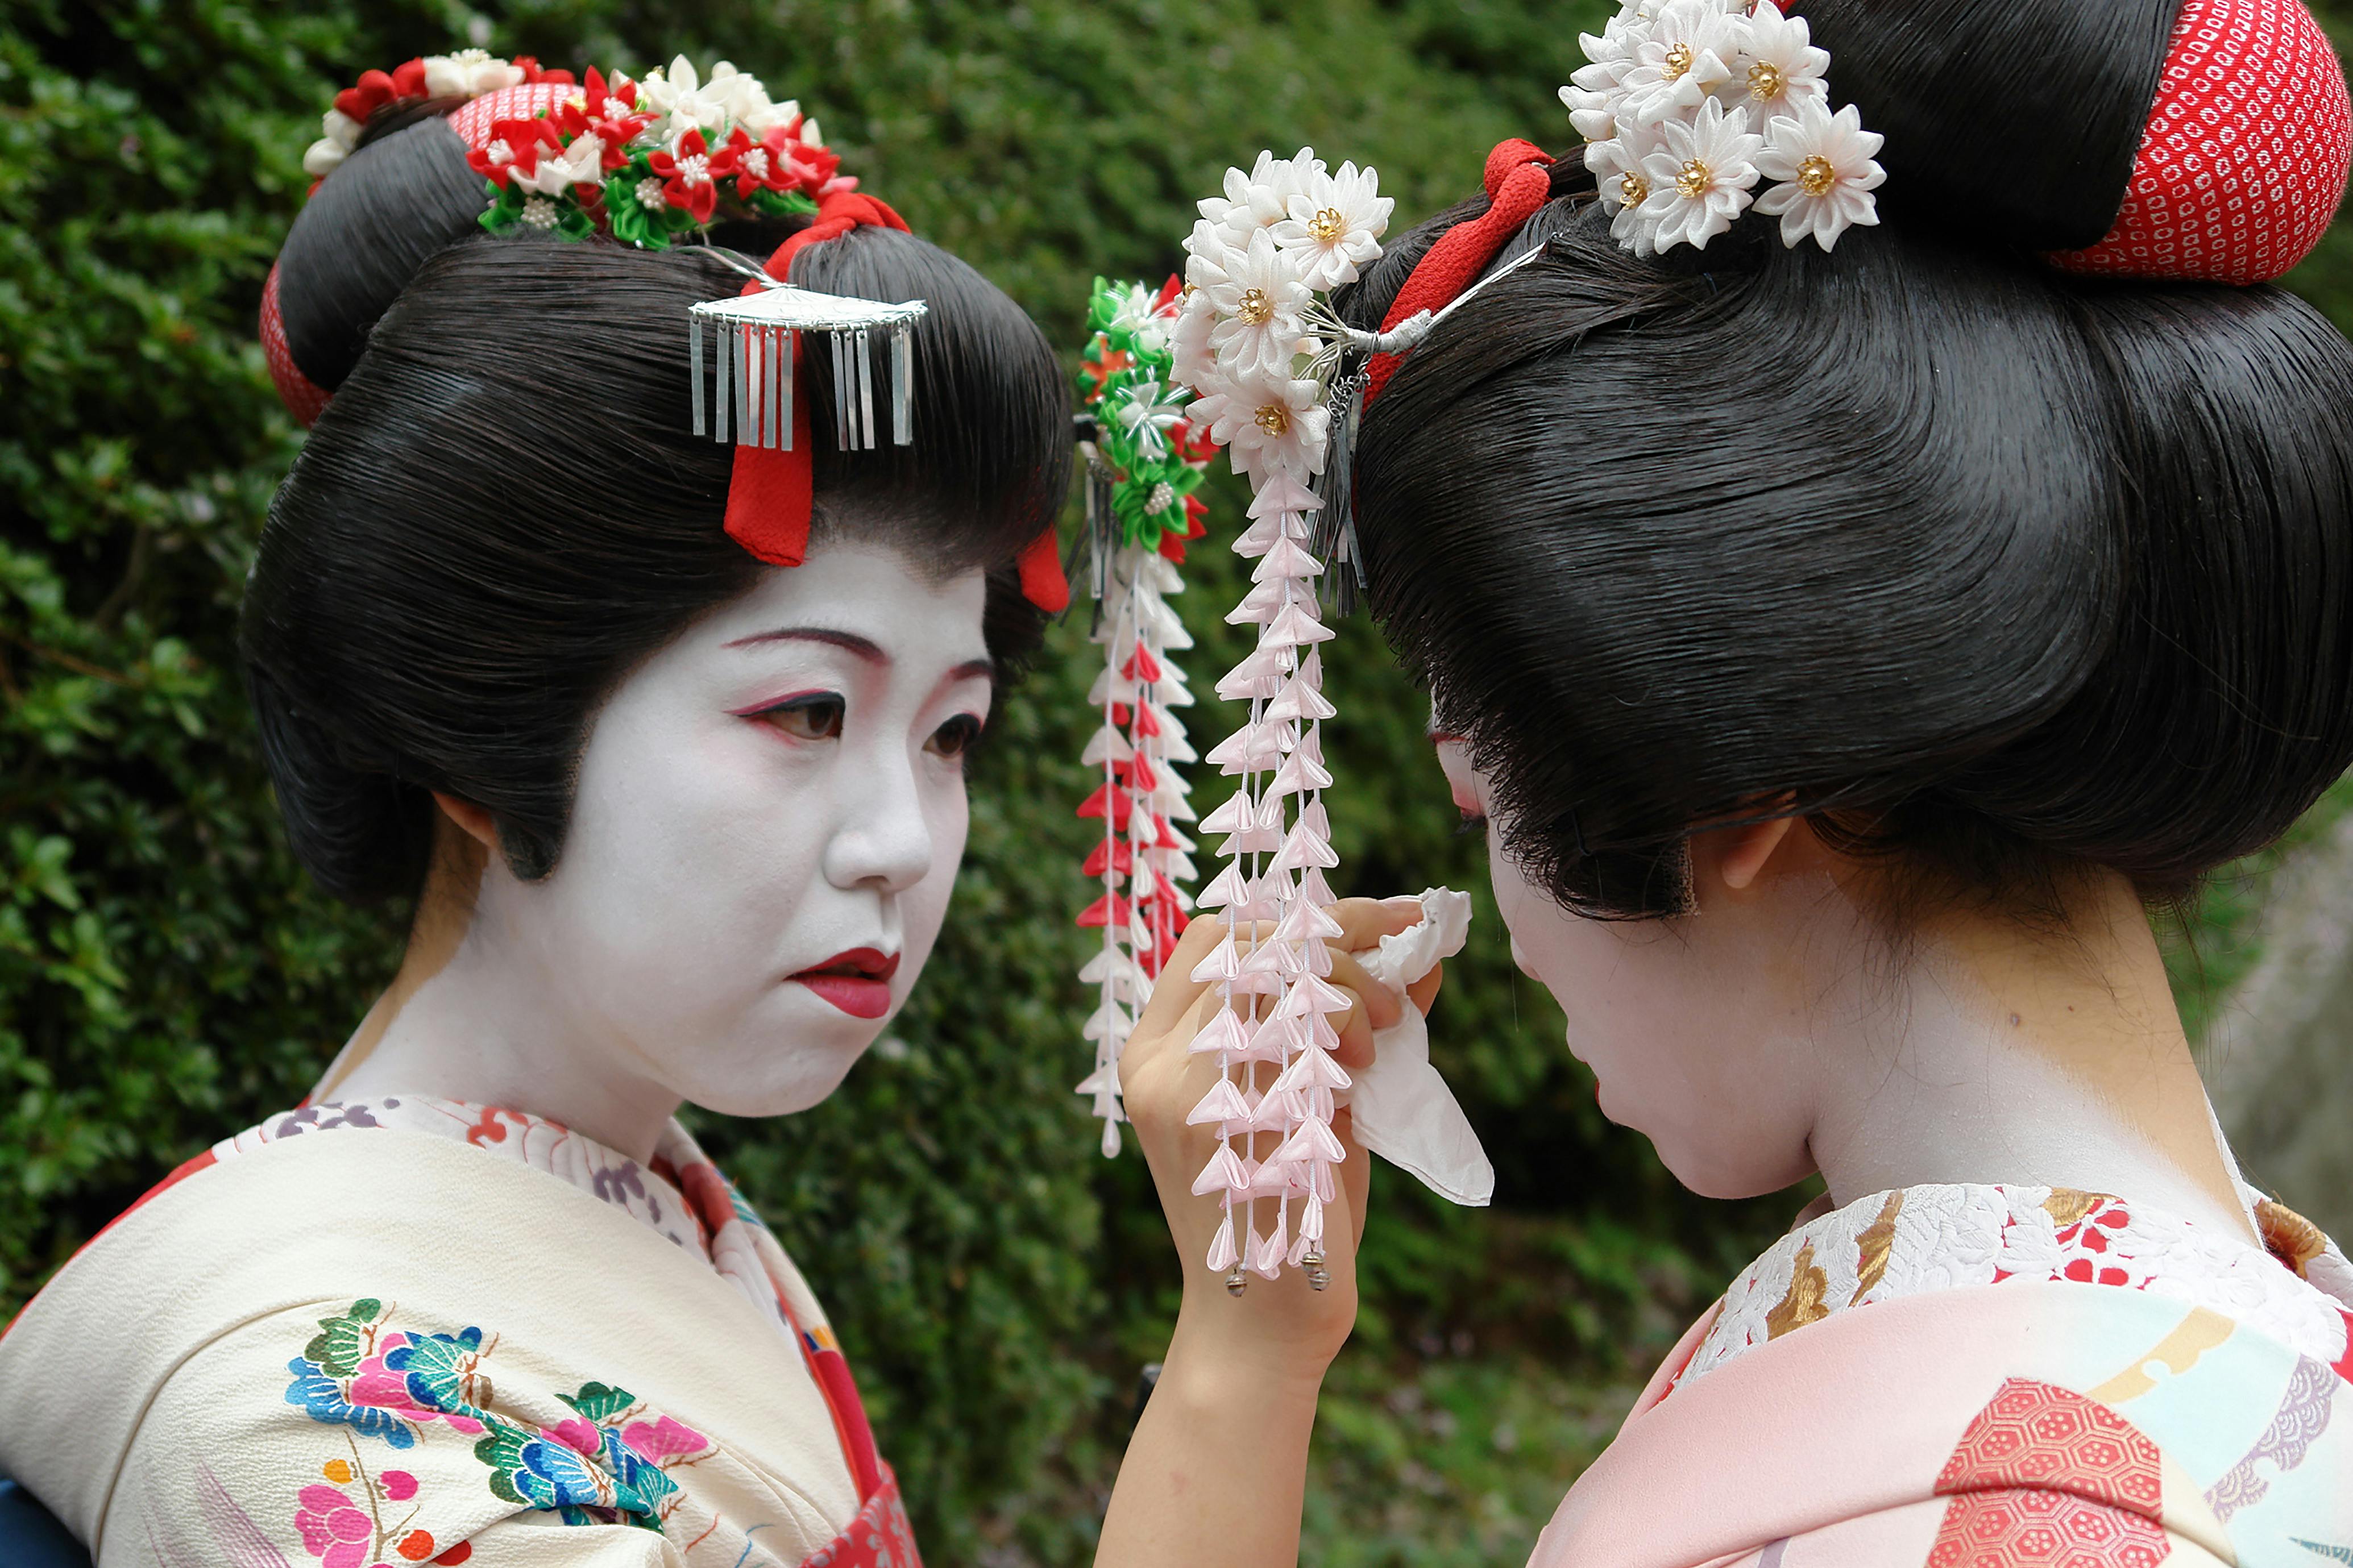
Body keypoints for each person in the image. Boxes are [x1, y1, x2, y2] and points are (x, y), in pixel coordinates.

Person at [0, 45, 1416, 1568]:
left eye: (950, 734)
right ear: (488, 731)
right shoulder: (307, 1413)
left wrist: (1250, 1343)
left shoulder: (637, 1191)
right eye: (806, 710)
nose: (899, 845)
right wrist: (1230, 1369)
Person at [1100, 0, 2353, 1562]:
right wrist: (1249, 1358)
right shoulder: (2224, 1356)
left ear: (1736, 784)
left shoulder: (2008, 1519)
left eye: (1483, 803)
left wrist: (1231, 1381)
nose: (1495, 914)